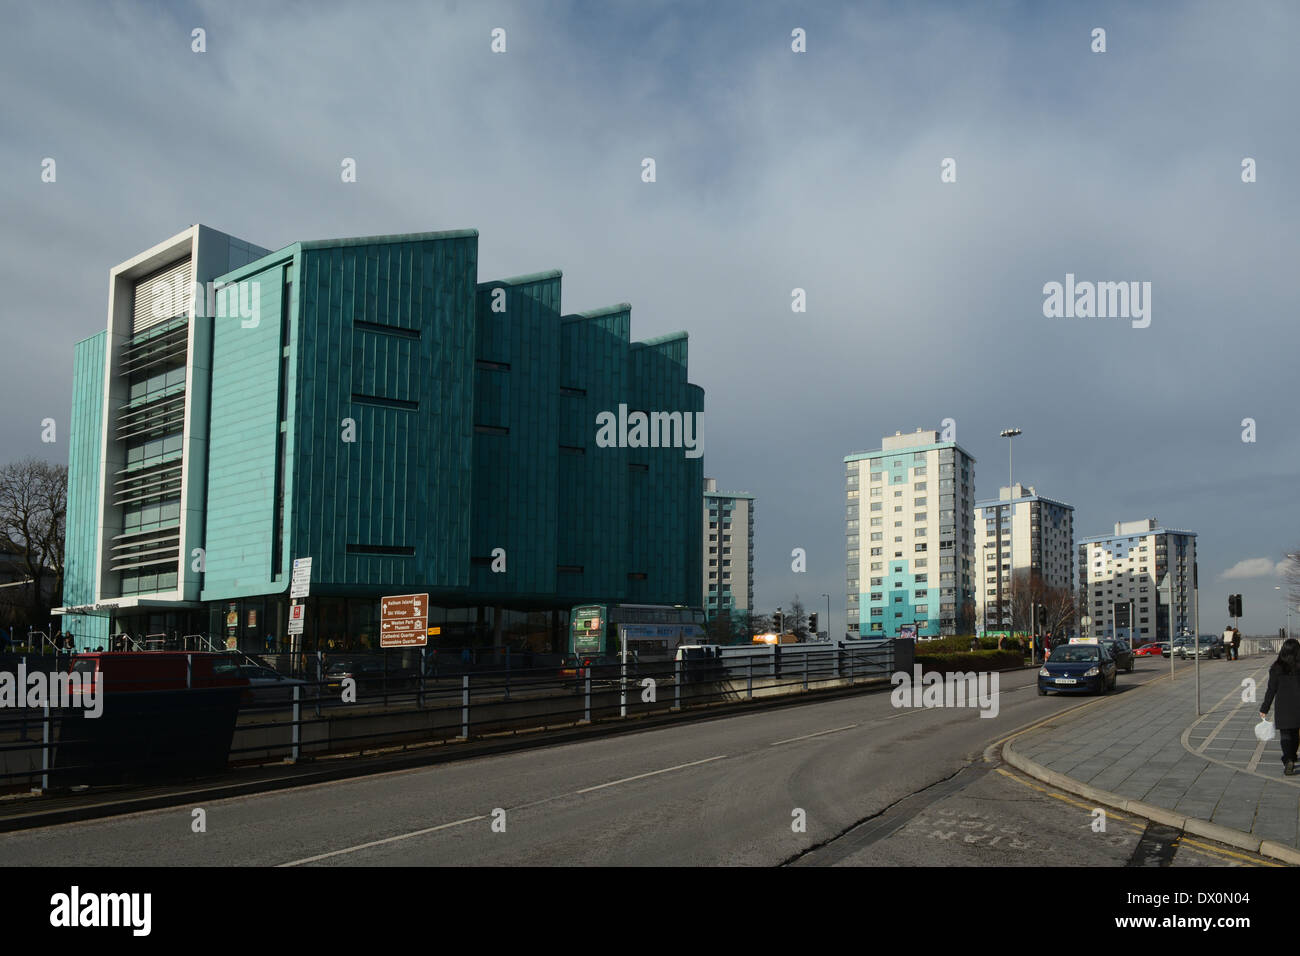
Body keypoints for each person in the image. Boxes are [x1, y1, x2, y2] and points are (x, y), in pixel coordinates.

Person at [1260, 638, 1300, 775]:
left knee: (1285, 734)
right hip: (1298, 705)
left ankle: (1288, 758)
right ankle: (1292, 756)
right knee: (1295, 733)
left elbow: (1271, 689)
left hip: (1283, 706)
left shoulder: (1276, 667)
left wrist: (1264, 708)